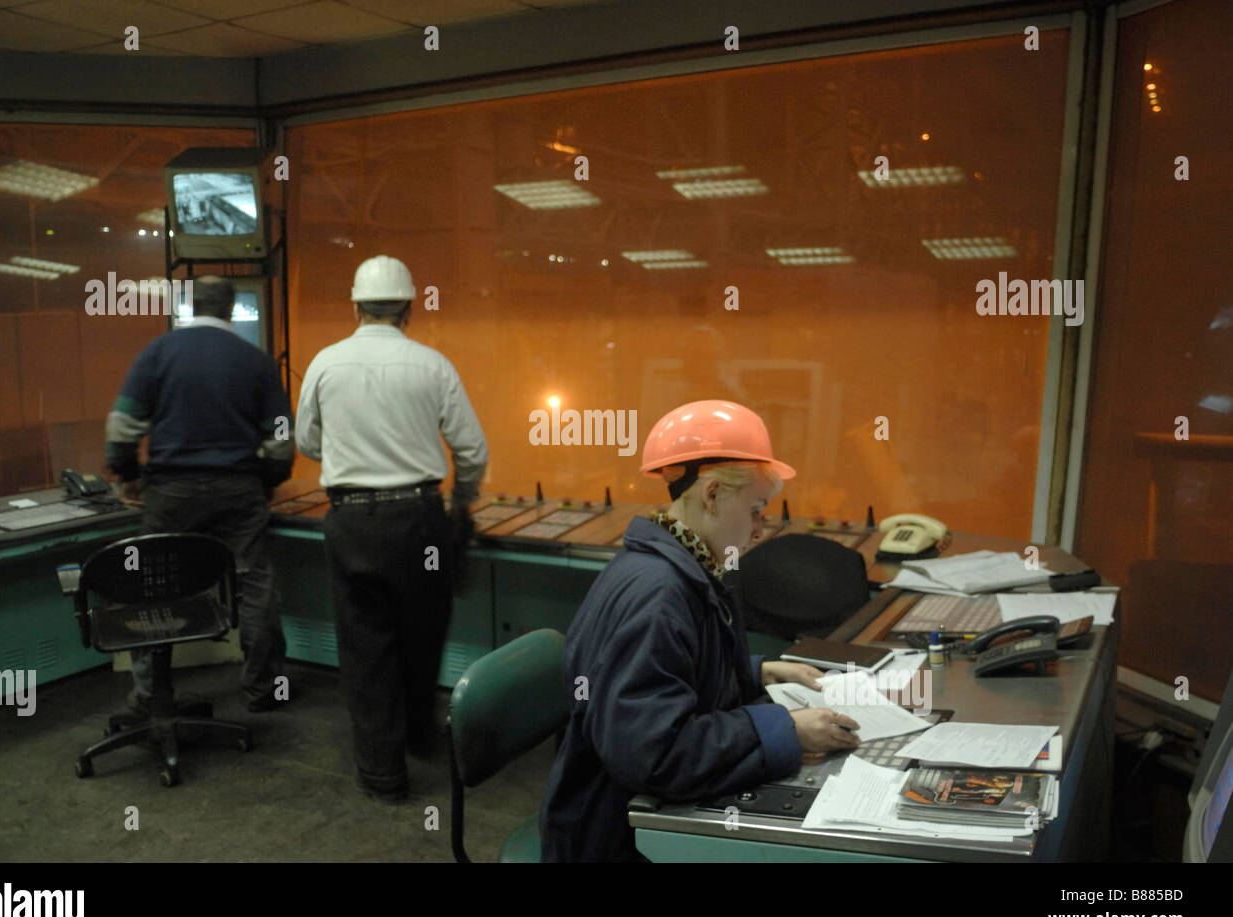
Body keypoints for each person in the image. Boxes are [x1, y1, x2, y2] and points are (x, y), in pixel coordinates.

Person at [539, 399, 862, 862]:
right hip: (611, 838)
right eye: (755, 509)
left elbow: (676, 673)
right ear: (711, 495)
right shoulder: (659, 595)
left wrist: (759, 672)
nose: (759, 529)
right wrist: (786, 730)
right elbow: (655, 754)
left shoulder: (688, 562)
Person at [295, 255, 488, 801]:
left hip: (352, 520)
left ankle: (383, 773)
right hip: (421, 521)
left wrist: (349, 447)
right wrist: (463, 501)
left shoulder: (326, 364)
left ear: (355, 306)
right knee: (423, 633)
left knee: (365, 646)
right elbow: (472, 449)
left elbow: (307, 441)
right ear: (409, 308)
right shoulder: (433, 365)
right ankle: (422, 738)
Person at [105, 275, 293, 715]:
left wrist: (129, 473)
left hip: (170, 492)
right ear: (230, 310)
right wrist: (267, 480)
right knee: (255, 587)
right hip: (239, 490)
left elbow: (122, 425)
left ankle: (152, 696)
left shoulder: (157, 353)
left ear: (191, 307)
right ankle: (262, 689)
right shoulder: (257, 362)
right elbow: (281, 436)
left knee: (154, 589)